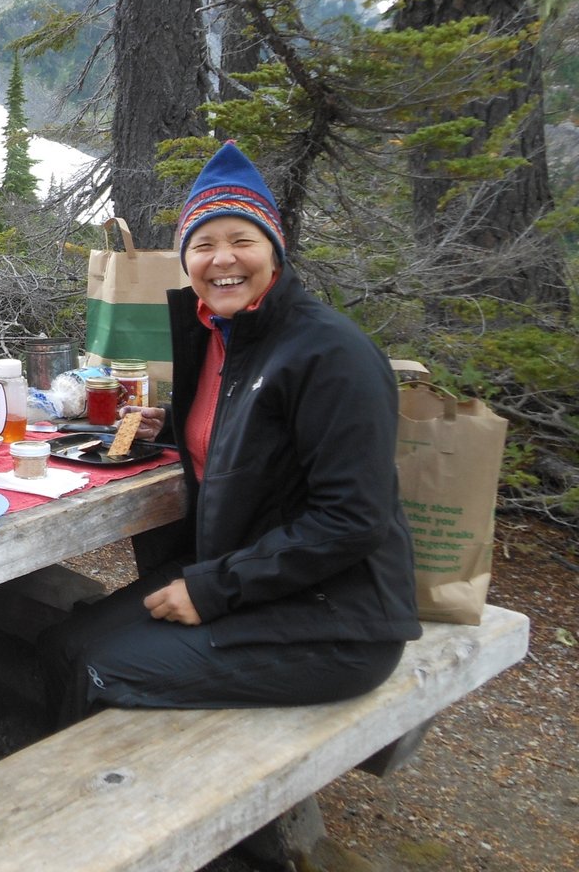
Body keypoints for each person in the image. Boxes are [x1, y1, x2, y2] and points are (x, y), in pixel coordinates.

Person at [38, 142, 421, 731]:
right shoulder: (220, 334)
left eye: (242, 240)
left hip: (335, 616)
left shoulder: (331, 353)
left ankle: (108, 786)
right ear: (186, 258)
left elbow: (352, 519)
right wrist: (174, 426)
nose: (223, 259)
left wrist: (212, 589)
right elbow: (254, 432)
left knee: (97, 667)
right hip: (244, 573)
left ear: (275, 250)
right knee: (64, 644)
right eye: (203, 245)